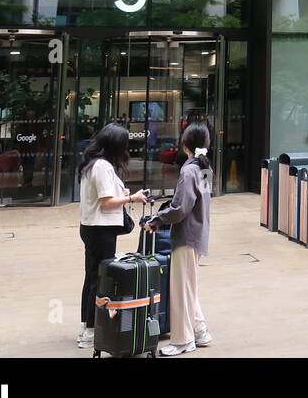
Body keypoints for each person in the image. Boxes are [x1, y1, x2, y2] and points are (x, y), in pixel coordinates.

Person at [77, 124, 149, 349]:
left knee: (92, 277)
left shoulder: (94, 165)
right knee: (98, 279)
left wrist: (123, 195)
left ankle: (87, 327)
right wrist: (132, 198)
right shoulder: (102, 167)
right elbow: (107, 203)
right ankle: (90, 330)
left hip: (93, 227)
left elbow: (104, 197)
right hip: (101, 229)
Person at [145, 122, 213, 356]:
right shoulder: (205, 168)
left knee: (181, 289)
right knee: (188, 286)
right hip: (199, 234)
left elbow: (180, 208)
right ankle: (199, 331)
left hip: (186, 235)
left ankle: (184, 340)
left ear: (185, 144)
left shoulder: (188, 171)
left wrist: (157, 219)